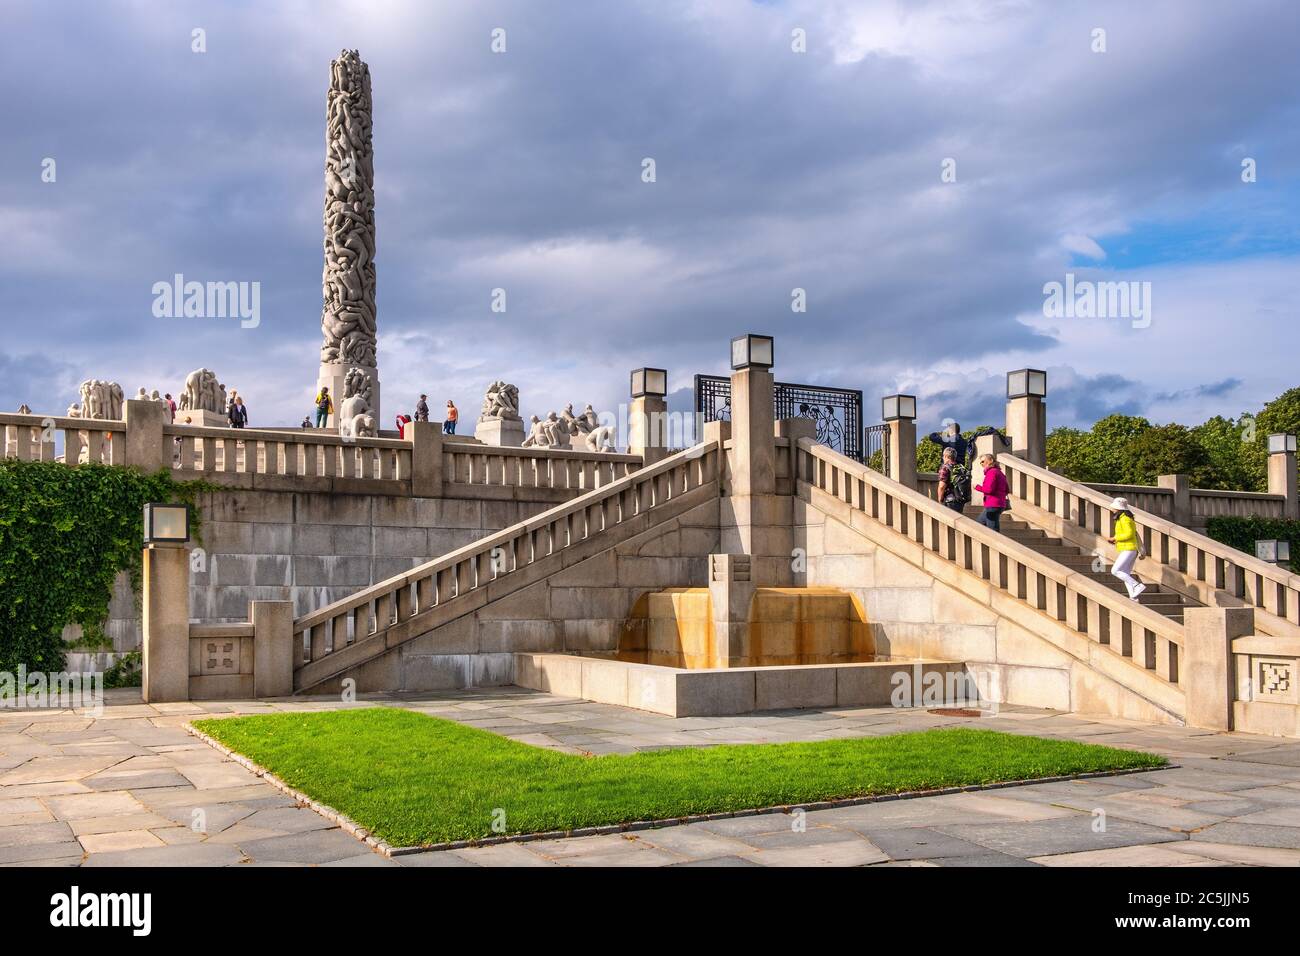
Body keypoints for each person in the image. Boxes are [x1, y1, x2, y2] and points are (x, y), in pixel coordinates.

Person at [1106, 497, 1147, 600]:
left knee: (1115, 570)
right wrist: (1116, 540)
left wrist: (1115, 538)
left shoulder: (1125, 519)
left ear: (1118, 509)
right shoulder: (1123, 518)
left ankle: (1137, 585)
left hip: (1129, 549)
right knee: (1125, 574)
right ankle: (1133, 597)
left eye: (1114, 507)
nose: (1112, 509)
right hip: (1129, 548)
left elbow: (1129, 534)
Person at [973, 454, 1009, 531]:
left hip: (992, 505)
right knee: (978, 525)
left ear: (991, 461)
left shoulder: (991, 472)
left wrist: (977, 487)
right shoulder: (1000, 473)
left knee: (993, 531)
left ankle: (998, 543)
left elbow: (989, 489)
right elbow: (1007, 490)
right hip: (998, 505)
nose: (981, 464)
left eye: (983, 461)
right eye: (980, 462)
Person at [936, 448, 966, 513]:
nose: (943, 458)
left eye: (943, 456)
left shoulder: (945, 467)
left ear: (946, 456)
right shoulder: (961, 467)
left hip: (949, 501)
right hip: (960, 499)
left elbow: (941, 486)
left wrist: (940, 499)